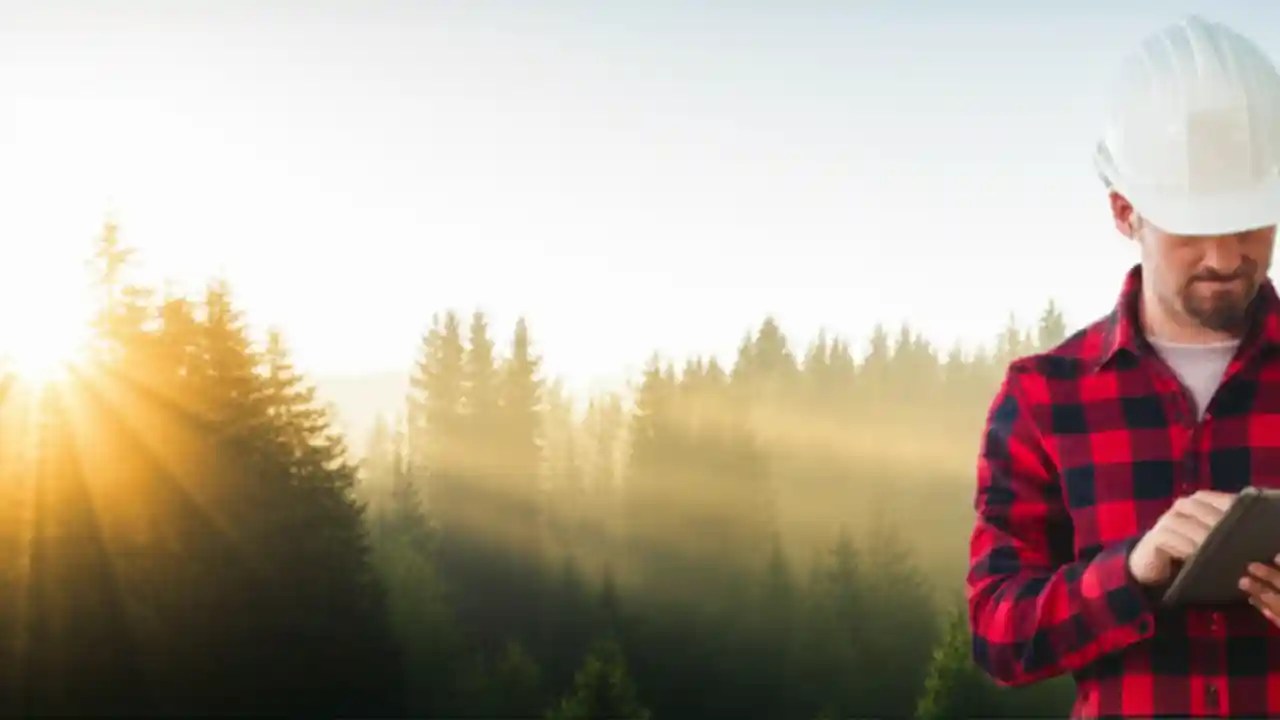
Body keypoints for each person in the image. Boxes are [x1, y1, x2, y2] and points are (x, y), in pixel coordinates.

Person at [967, 14, 1280, 718]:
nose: (1227, 258)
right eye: (1194, 230)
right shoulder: (1043, 399)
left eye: (1254, 222)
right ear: (1123, 211)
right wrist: (1129, 575)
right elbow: (997, 635)